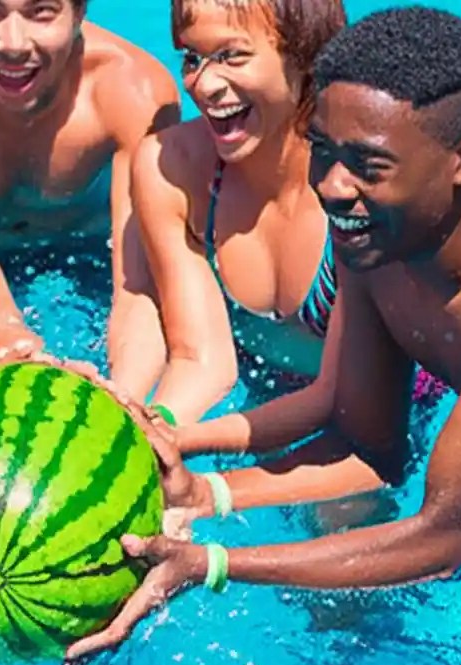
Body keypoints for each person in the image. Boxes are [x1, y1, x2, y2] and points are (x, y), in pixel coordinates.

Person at [67, 10, 461, 665]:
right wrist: (203, 492)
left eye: (367, 163)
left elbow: (443, 546)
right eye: (323, 150)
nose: (331, 185)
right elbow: (368, 450)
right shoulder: (377, 238)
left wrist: (212, 564)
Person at [0, 0, 181, 388]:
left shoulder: (131, 91)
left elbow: (138, 289)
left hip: (94, 259)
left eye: (41, 12)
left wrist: (124, 397)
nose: (14, 44)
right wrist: (17, 352)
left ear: (79, 14)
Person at [117, 0, 346, 425]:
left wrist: (212, 487)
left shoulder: (358, 187)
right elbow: (201, 359)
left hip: (376, 403)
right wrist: (150, 430)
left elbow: (366, 413)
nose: (203, 86)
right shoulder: (172, 168)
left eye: (231, 56)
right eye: (192, 58)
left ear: (307, 56)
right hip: (261, 392)